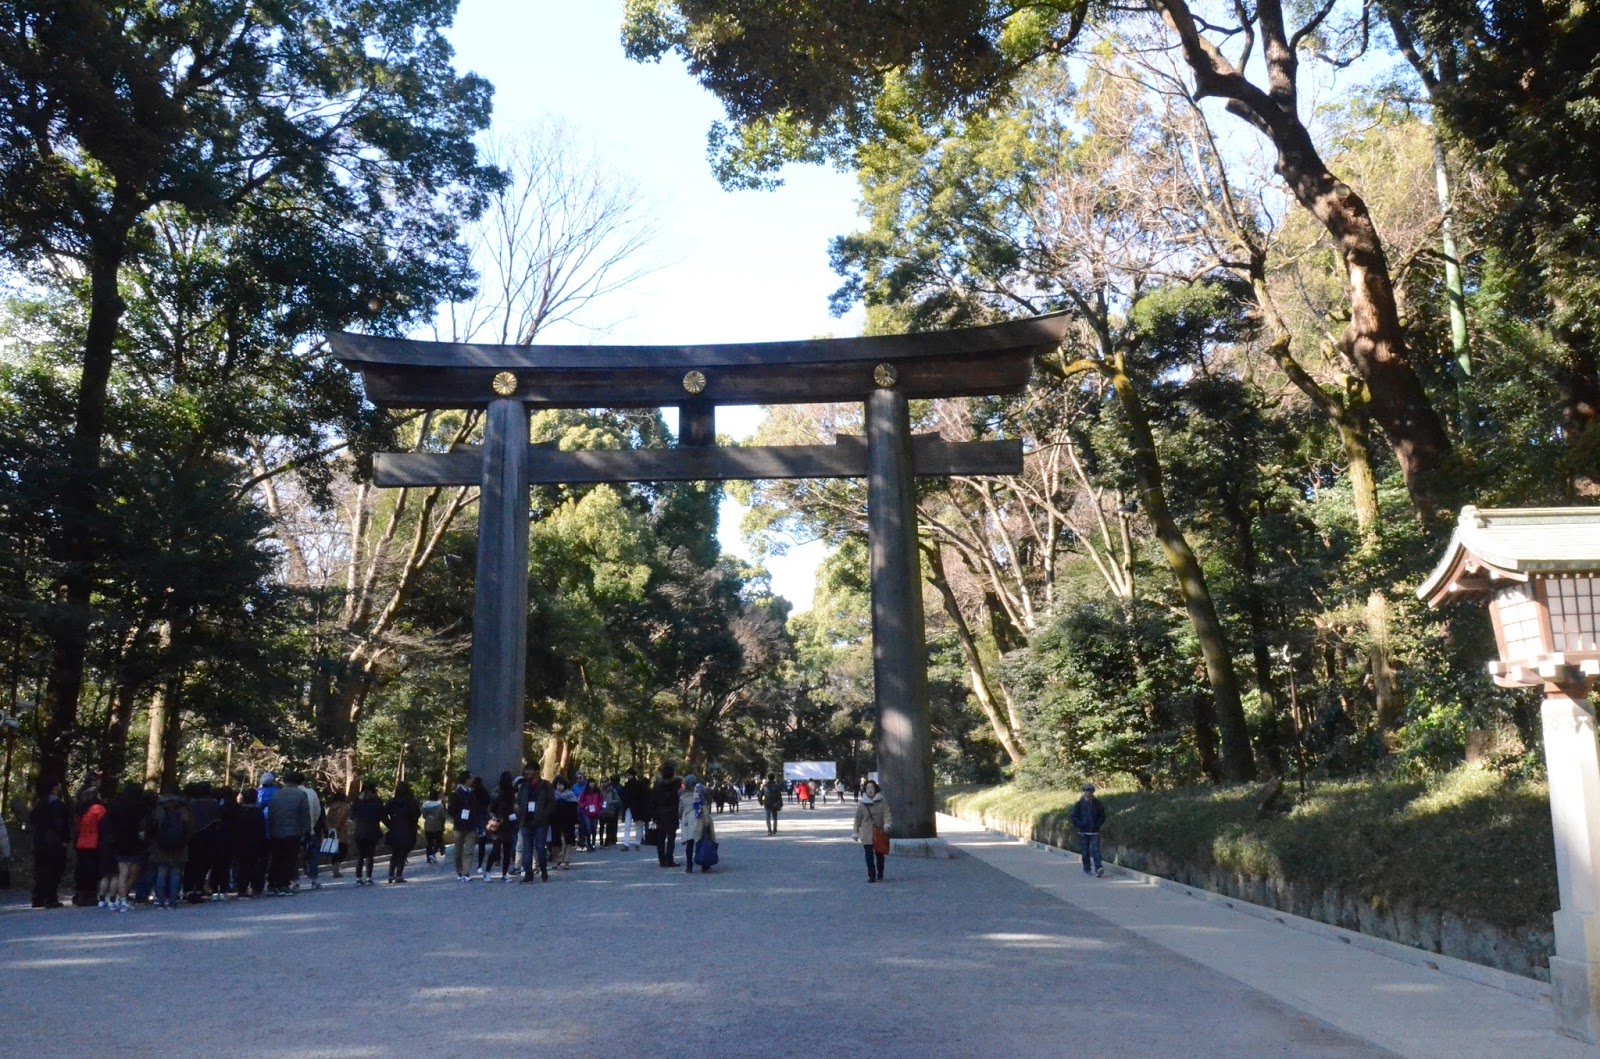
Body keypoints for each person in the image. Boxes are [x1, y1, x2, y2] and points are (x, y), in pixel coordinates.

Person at [265, 771, 311, 895]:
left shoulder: (276, 794)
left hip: (276, 831)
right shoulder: (301, 795)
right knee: (289, 859)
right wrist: (307, 831)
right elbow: (305, 815)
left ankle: (272, 884)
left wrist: (270, 830)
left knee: (276, 858)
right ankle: (284, 884)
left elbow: (271, 814)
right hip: (293, 832)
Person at [147, 787, 192, 909]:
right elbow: (188, 829)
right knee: (176, 873)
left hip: (160, 846)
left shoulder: (159, 810)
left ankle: (161, 901)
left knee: (161, 873)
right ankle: (173, 900)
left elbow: (152, 828)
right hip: (179, 847)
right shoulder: (183, 810)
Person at [28, 778, 69, 908]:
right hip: (53, 841)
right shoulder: (56, 803)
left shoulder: (39, 802)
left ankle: (38, 897)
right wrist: (63, 839)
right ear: (55, 787)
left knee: (41, 870)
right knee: (54, 869)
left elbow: (32, 820)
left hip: (39, 840)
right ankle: (51, 898)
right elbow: (60, 824)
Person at [73, 785, 107, 906]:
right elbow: (104, 825)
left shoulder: (81, 810)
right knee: (93, 871)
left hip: (81, 842)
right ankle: (91, 896)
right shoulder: (98, 809)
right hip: (94, 842)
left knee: (83, 870)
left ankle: (81, 896)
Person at [349, 780, 386, 886]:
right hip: (372, 831)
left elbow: (352, 816)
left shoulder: (357, 800)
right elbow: (382, 816)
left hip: (359, 831)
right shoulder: (377, 801)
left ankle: (358, 877)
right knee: (370, 855)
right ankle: (369, 877)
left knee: (360, 855)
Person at [853, 779, 890, 883]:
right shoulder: (862, 804)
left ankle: (880, 873)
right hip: (866, 833)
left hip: (879, 831)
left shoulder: (882, 801)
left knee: (879, 854)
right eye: (868, 788)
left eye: (872, 788)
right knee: (868, 855)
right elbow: (858, 819)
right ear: (865, 790)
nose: (870, 790)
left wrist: (887, 824)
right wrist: (855, 832)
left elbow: (887, 813)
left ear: (875, 789)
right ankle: (872, 875)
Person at [519, 773, 554, 882]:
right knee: (527, 848)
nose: (528, 773)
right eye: (526, 770)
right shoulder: (524, 786)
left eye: (530, 770)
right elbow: (519, 801)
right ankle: (528, 874)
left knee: (540, 847)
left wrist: (544, 815)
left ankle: (543, 870)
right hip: (526, 821)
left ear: (536, 771)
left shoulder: (545, 785)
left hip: (540, 822)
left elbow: (551, 802)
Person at [385, 781, 420, 884]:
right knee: (403, 853)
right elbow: (416, 814)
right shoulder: (411, 801)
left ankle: (391, 873)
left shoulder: (392, 801)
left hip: (394, 828)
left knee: (395, 852)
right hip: (408, 829)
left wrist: (389, 823)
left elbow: (383, 813)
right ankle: (399, 874)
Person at [1070, 783, 1108, 877]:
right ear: (1084, 792)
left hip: (1095, 831)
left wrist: (1098, 825)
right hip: (1084, 831)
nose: (1089, 792)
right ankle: (1087, 868)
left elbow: (1102, 816)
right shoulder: (1079, 804)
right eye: (1087, 791)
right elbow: (1074, 816)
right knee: (1085, 851)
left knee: (1096, 850)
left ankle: (1099, 868)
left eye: (1091, 791)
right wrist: (1080, 824)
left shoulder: (1097, 803)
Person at [235, 787, 267, 897]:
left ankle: (242, 889)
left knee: (243, 866)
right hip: (256, 842)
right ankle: (256, 887)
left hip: (241, 842)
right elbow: (262, 828)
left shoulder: (239, 811)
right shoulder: (258, 811)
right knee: (256, 865)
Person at [678, 778, 714, 873]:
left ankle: (689, 866)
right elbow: (703, 807)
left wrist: (680, 817)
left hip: (687, 820)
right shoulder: (697, 795)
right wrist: (707, 819)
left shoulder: (682, 797)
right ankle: (703, 863)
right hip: (698, 819)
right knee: (700, 841)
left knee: (689, 843)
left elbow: (680, 810)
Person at [448, 771, 477, 881]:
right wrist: (457, 818)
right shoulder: (456, 793)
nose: (473, 779)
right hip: (459, 826)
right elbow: (451, 810)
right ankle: (459, 871)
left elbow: (475, 809)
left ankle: (466, 872)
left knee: (469, 850)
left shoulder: (472, 794)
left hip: (471, 825)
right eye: (471, 777)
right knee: (458, 851)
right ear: (466, 779)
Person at [487, 772, 517, 880]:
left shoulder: (511, 793)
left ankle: (504, 874)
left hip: (508, 823)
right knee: (496, 850)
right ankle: (487, 871)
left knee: (507, 850)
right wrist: (495, 818)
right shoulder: (499, 793)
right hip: (499, 824)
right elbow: (490, 809)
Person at [651, 763, 681, 867]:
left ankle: (661, 859)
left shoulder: (657, 784)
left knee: (660, 838)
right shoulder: (676, 784)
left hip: (660, 813)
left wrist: (653, 814)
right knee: (671, 838)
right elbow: (678, 798)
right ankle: (669, 859)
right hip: (672, 813)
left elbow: (653, 799)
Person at [550, 775, 579, 870]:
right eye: (558, 785)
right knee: (556, 842)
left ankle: (566, 860)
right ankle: (556, 859)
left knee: (568, 841)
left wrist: (576, 821)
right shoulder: (552, 796)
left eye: (561, 785)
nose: (560, 787)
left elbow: (575, 810)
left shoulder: (571, 795)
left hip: (568, 821)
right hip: (556, 822)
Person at [324, 792, 352, 877]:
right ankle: (336, 868)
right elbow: (342, 818)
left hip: (331, 831)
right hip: (341, 831)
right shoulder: (345, 806)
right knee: (343, 850)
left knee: (334, 850)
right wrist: (338, 828)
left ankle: (334, 868)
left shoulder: (331, 808)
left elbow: (327, 819)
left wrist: (330, 829)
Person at [621, 770, 650, 851]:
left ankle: (637, 843)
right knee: (628, 826)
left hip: (638, 807)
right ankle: (627, 844)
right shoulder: (627, 785)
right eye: (627, 775)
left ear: (633, 775)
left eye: (629, 775)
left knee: (638, 826)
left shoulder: (639, 785)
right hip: (630, 807)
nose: (628, 777)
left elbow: (644, 797)